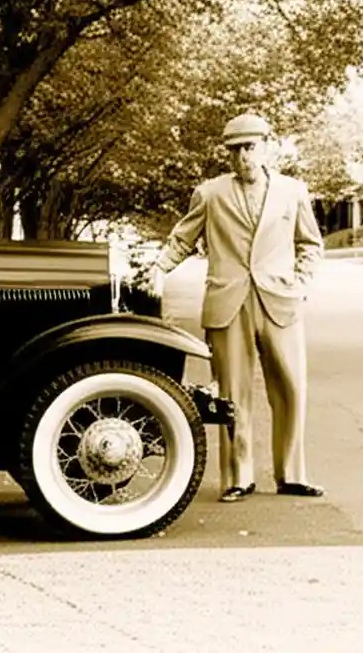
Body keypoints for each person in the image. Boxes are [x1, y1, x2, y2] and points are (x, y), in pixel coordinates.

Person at [145, 112, 325, 503]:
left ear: (267, 146)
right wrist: (159, 269)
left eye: (249, 147)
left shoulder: (293, 192)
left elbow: (310, 244)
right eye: (235, 150)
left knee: (292, 388)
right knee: (232, 394)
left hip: (280, 301)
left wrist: (302, 284)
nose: (242, 156)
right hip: (228, 303)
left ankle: (292, 473)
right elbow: (182, 239)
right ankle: (238, 476)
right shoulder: (209, 194)